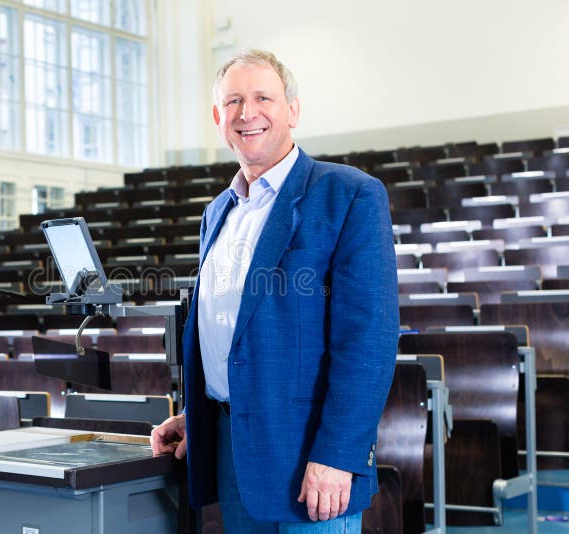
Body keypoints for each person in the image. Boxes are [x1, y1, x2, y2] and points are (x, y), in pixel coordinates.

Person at [150, 49, 399, 533]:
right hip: (232, 448)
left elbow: (368, 342)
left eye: (263, 98)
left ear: (293, 110)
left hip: (311, 463)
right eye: (234, 101)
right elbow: (229, 331)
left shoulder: (349, 195)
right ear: (219, 118)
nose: (248, 113)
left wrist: (339, 454)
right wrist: (196, 418)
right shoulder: (217, 213)